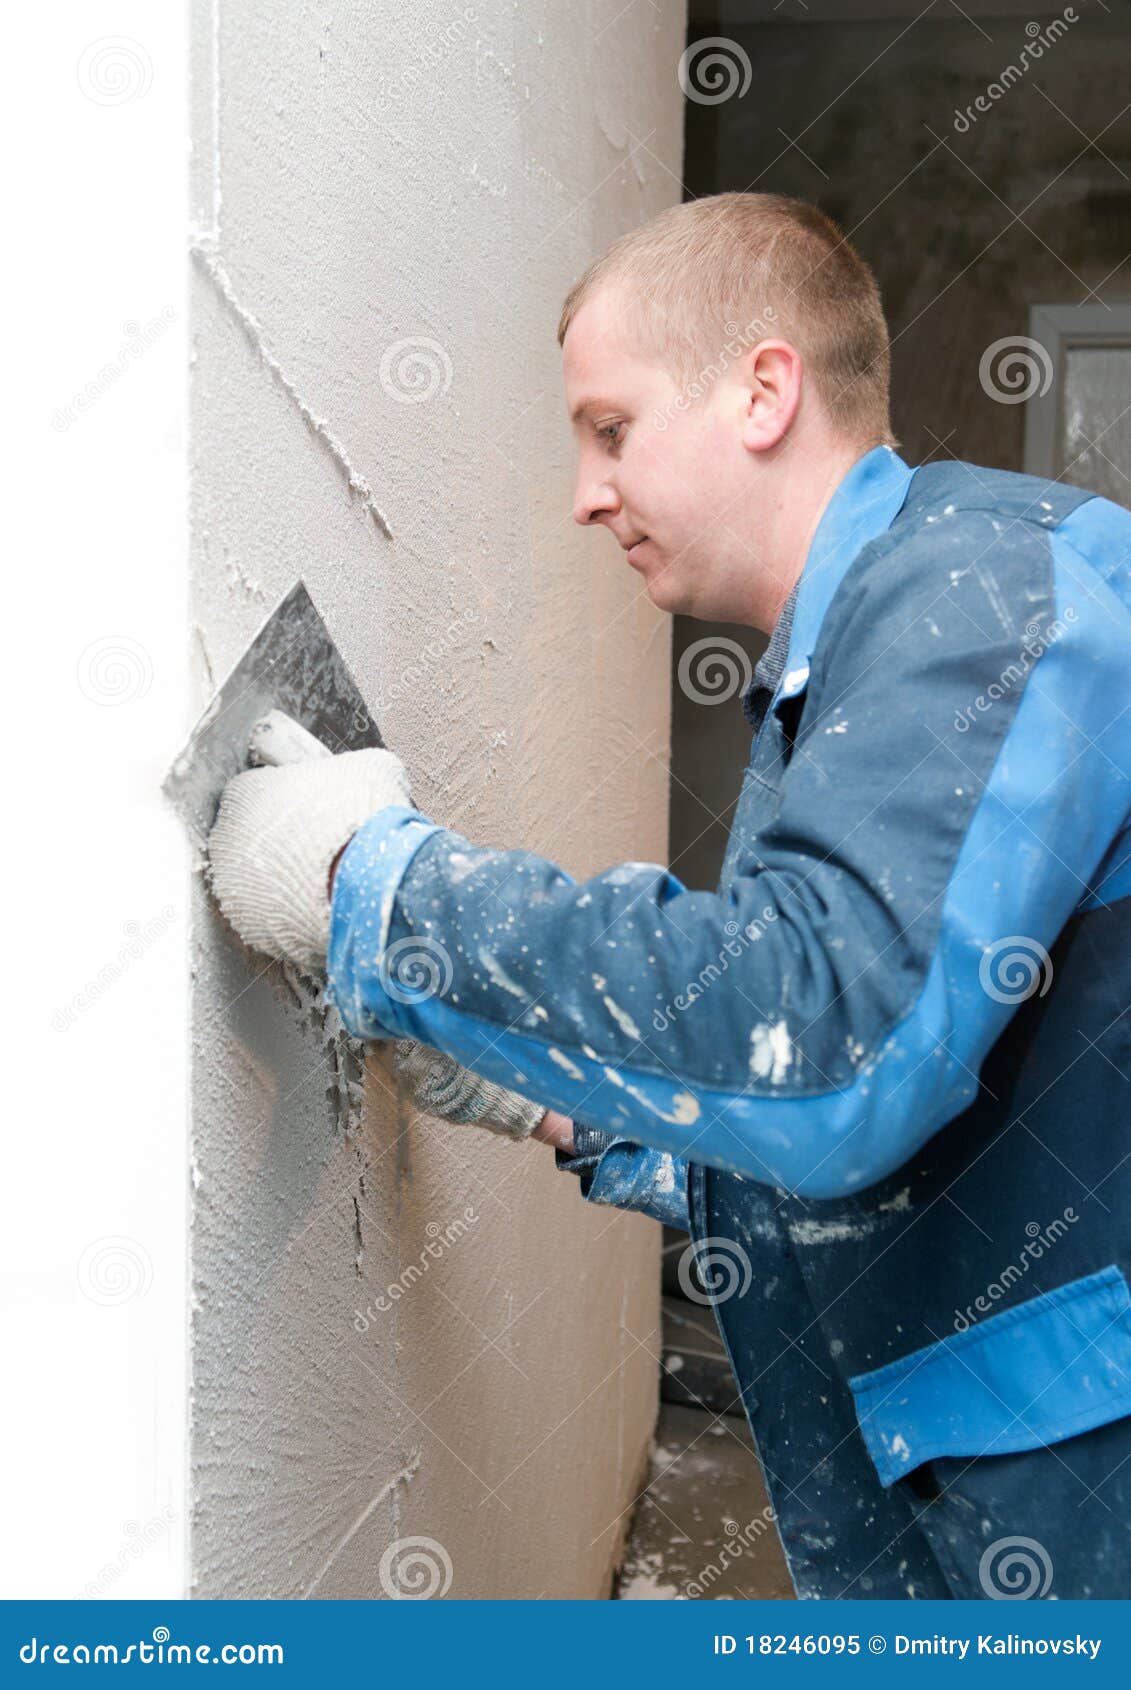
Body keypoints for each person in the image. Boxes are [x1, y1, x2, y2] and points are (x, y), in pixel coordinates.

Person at [207, 192, 1131, 1600]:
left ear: (764, 389)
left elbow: (832, 1050)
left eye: (611, 429)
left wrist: (375, 886)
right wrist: (559, 1106)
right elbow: (875, 1121)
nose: (584, 491)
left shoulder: (985, 589)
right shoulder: (833, 681)